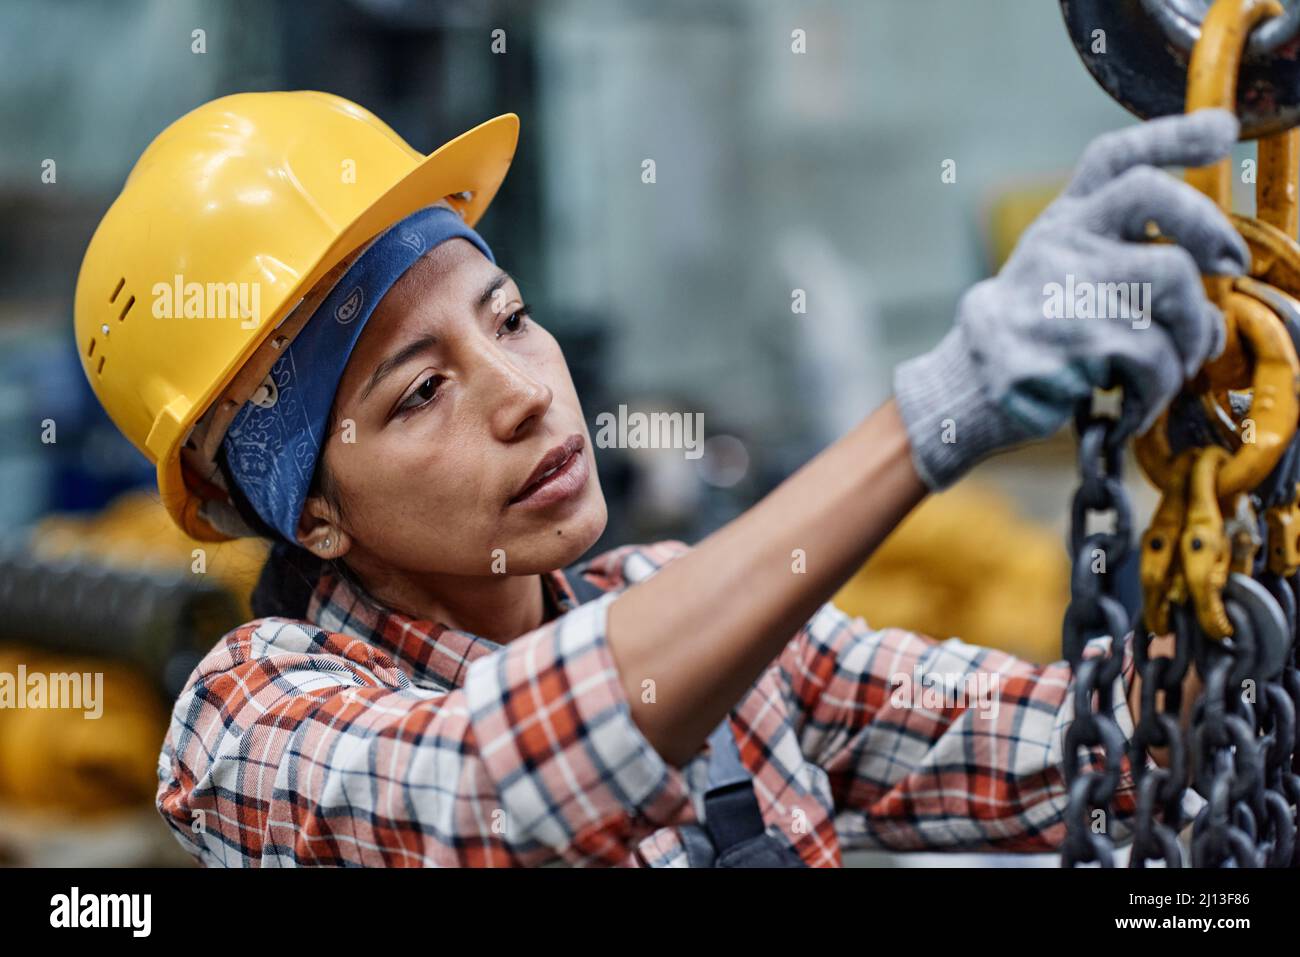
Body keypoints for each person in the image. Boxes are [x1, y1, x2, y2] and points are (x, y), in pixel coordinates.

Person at [75, 91, 1242, 867]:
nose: (528, 390)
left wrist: (1234, 656)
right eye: (419, 391)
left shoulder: (701, 613)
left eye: (511, 320)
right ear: (310, 515)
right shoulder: (247, 722)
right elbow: (492, 790)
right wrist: (927, 418)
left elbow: (1064, 737)